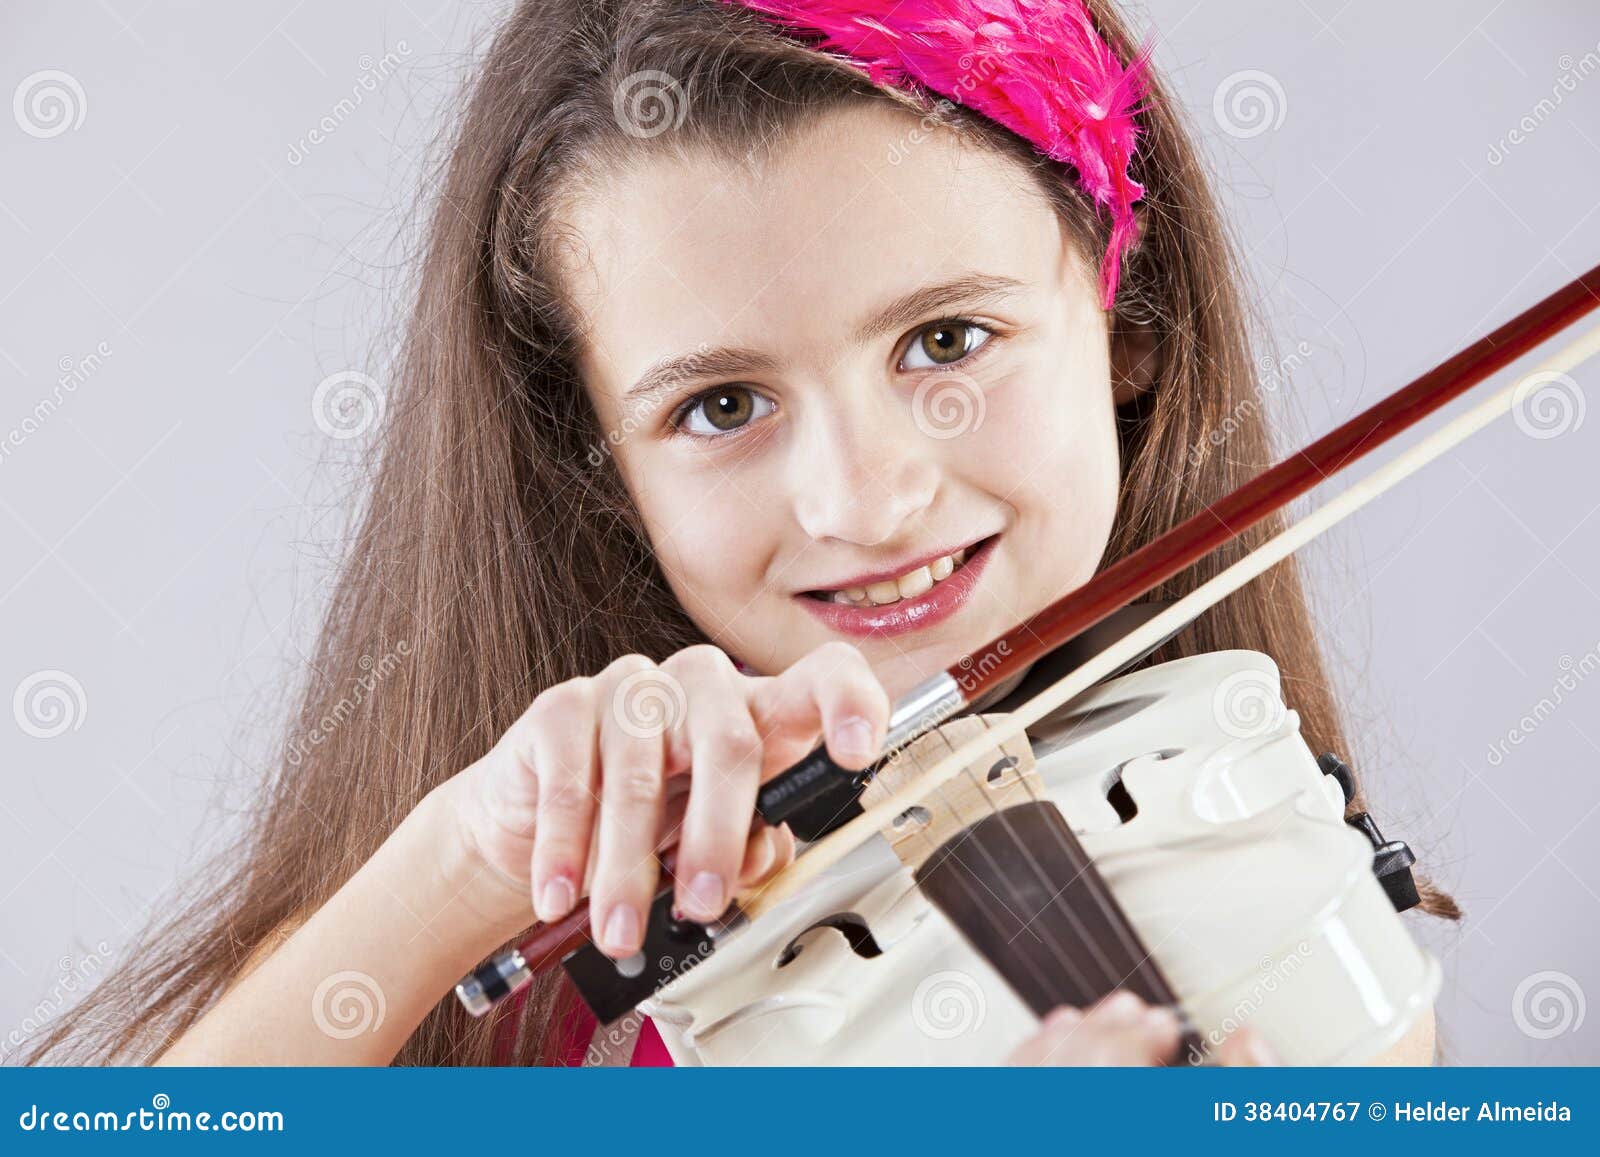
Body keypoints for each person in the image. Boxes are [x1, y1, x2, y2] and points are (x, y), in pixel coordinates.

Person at [27, 0, 1451, 1068]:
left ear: (1126, 327)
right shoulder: (593, 980)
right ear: (599, 460)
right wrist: (464, 861)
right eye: (720, 405)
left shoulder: (1276, 867)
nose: (864, 499)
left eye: (947, 339)